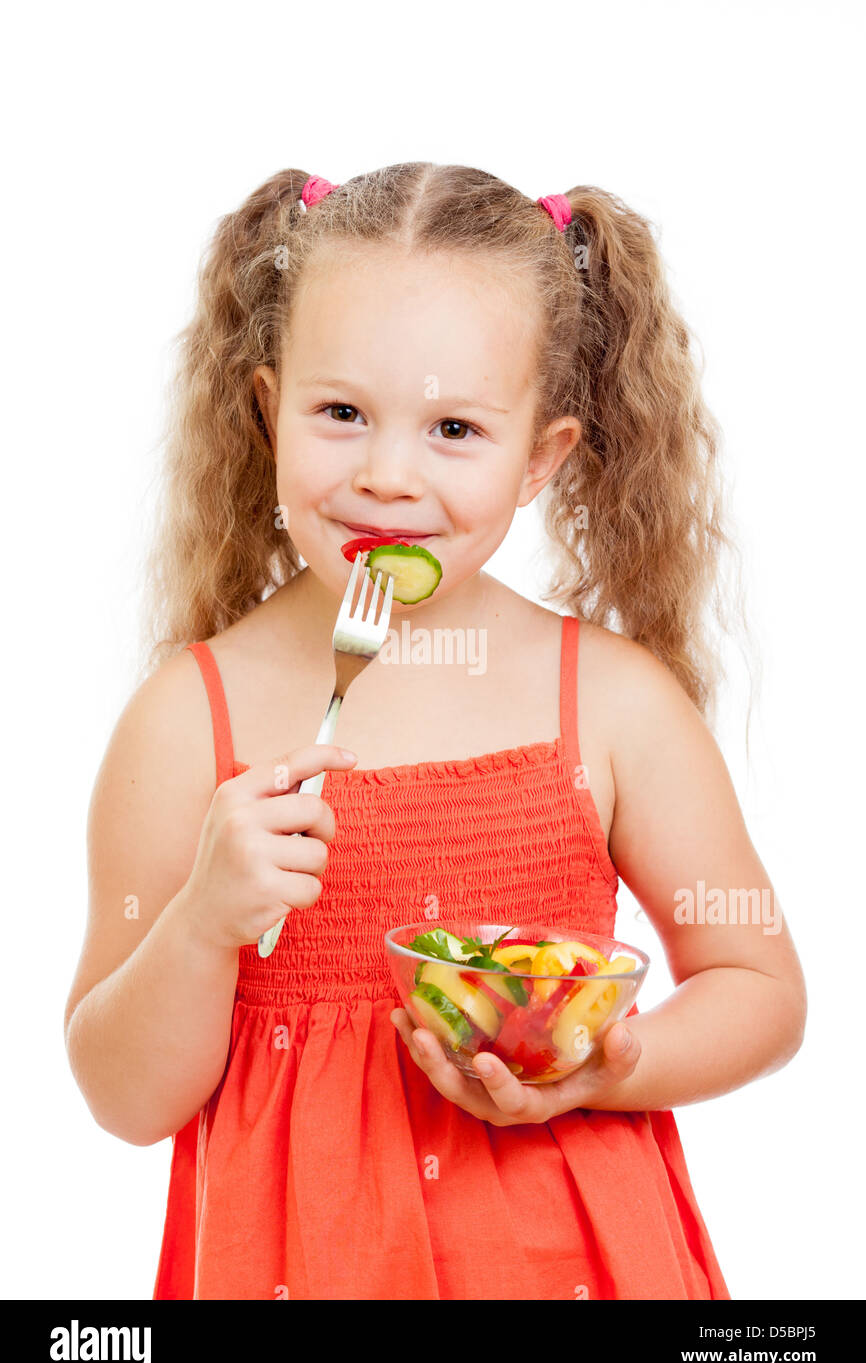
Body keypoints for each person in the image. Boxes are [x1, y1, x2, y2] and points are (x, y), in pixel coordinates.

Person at [64, 162, 807, 1300]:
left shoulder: (607, 700)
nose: (386, 477)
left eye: (454, 427)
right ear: (269, 409)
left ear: (541, 459)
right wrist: (203, 921)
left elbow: (757, 982)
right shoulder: (187, 719)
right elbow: (124, 1098)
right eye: (341, 413)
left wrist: (609, 1069)